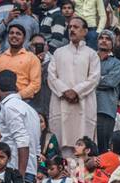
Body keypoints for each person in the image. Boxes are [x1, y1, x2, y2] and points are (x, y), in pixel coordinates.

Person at [47, 16, 99, 159]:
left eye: (76, 27)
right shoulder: (59, 52)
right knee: (61, 143)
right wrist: (65, 91)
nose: (72, 30)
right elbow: (51, 76)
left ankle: (81, 179)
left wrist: (76, 91)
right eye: (70, 27)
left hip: (83, 103)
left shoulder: (92, 54)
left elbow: (94, 78)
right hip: (62, 102)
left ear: (85, 31)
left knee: (82, 143)